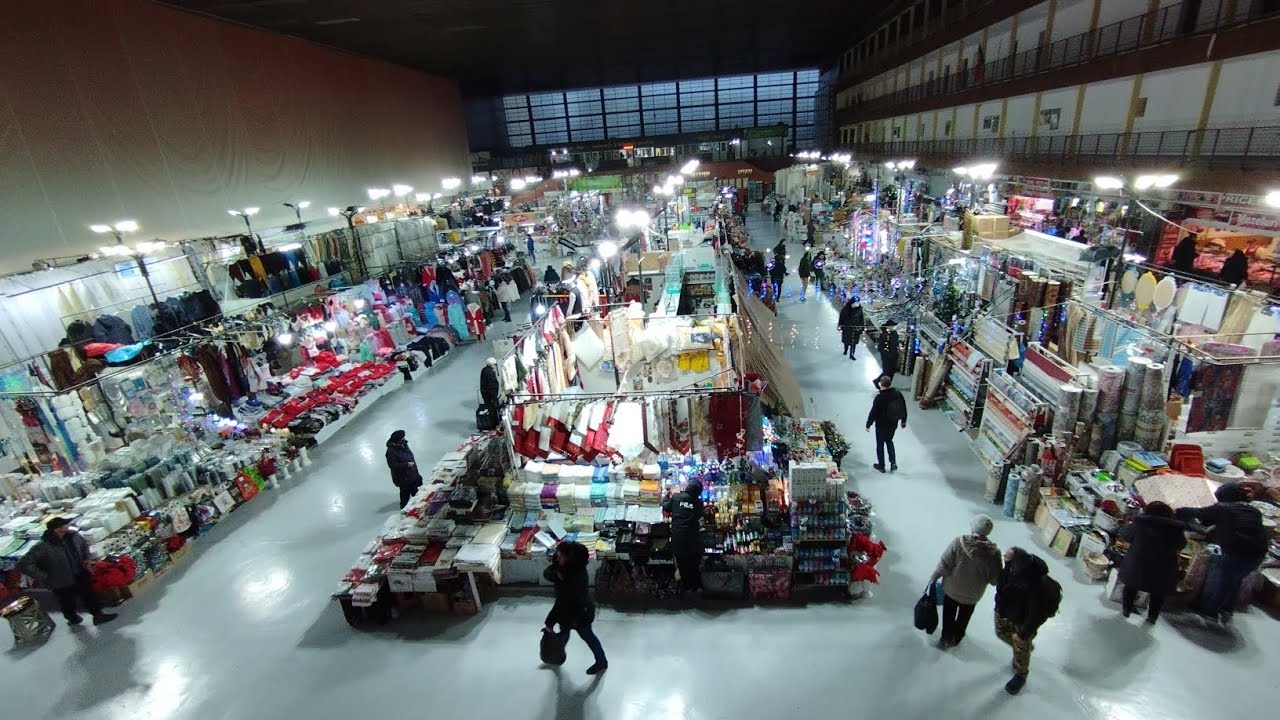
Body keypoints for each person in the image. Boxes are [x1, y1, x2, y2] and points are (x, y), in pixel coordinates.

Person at [1175, 482, 1268, 622]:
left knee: (1220, 581)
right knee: (1235, 580)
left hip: (1236, 552)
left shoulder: (1224, 508)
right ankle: (1226, 608)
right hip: (1257, 554)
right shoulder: (1253, 510)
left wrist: (1178, 510)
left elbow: (1199, 513)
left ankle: (1209, 611)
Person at [18, 517, 118, 627]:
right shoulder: (43, 547)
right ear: (57, 529)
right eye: (65, 525)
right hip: (61, 581)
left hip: (80, 573)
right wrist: (44, 576)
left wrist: (87, 559)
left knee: (90, 595)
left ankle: (98, 615)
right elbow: (23, 564)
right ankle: (72, 617)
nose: (68, 526)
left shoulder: (73, 537)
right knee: (67, 601)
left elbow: (84, 546)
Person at [994, 547, 1060, 695]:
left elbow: (1037, 614)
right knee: (1001, 633)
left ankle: (1020, 675)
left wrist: (1023, 634)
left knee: (1020, 647)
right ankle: (1025, 647)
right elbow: (1003, 586)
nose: (1005, 556)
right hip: (1005, 612)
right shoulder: (1015, 568)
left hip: (1022, 623)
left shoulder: (1039, 587)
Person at [928, 515, 1002, 648]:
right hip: (973, 595)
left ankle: (945, 638)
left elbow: (945, 563)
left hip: (952, 590)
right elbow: (995, 580)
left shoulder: (959, 542)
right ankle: (957, 637)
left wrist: (934, 576)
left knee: (948, 614)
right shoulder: (994, 553)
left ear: (973, 527)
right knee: (964, 616)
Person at [543, 540, 607, 675]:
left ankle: (601, 661)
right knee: (563, 635)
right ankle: (556, 656)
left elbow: (561, 603)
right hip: (572, 612)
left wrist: (549, 622)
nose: (557, 558)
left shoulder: (571, 579)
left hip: (578, 615)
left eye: (560, 556)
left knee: (588, 637)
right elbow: (548, 573)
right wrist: (557, 568)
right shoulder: (572, 568)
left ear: (568, 558)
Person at [1117, 501, 1186, 624]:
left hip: (1138, 563)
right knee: (1158, 593)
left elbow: (1126, 536)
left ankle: (1126, 610)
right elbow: (1181, 545)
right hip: (1164, 566)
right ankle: (1152, 617)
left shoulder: (1139, 522)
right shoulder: (1176, 528)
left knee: (1131, 587)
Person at [664, 480, 704, 593]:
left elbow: (666, 507)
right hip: (692, 539)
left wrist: (667, 495)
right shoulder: (698, 503)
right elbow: (699, 515)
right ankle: (695, 586)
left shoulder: (676, 497)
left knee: (682, 564)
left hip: (678, 539)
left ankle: (685, 585)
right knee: (693, 564)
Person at [865, 374, 907, 473]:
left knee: (880, 445)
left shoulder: (880, 397)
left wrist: (868, 424)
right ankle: (893, 462)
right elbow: (903, 407)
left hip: (881, 424)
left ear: (881, 384)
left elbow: (874, 412)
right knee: (889, 441)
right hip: (893, 423)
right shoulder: (898, 394)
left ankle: (881, 465)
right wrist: (903, 420)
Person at [385, 430, 422, 509]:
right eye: (402, 438)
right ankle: (404, 510)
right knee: (405, 495)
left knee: (417, 493)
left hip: (412, 474)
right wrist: (406, 464)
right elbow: (393, 465)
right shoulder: (390, 452)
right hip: (403, 478)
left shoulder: (404, 444)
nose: (404, 439)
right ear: (397, 440)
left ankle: (418, 507)